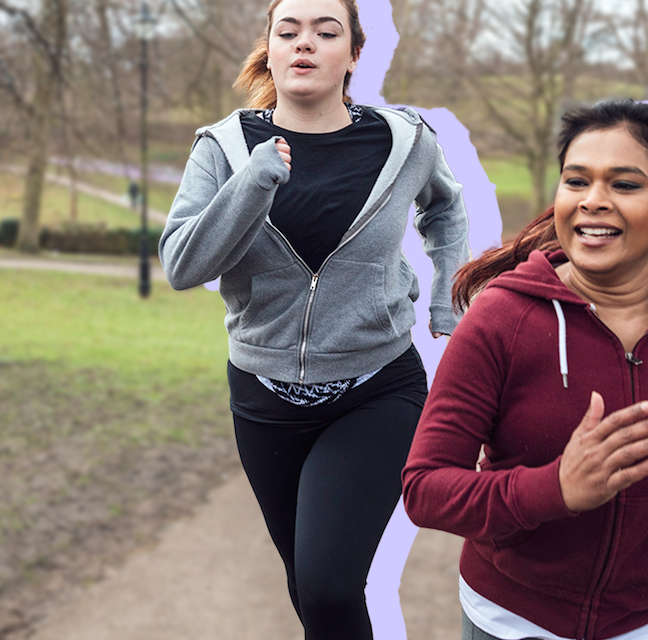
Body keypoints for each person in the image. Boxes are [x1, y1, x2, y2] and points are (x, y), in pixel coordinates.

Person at [401, 100, 648, 640]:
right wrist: (554, 488)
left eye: (625, 185)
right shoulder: (502, 320)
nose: (593, 202)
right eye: (576, 181)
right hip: (512, 620)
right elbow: (427, 488)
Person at [157, 0, 470, 637]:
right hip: (263, 395)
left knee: (330, 585)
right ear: (268, 49)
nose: (305, 44)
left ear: (354, 55)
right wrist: (252, 182)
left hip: (377, 387)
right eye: (288, 32)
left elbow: (447, 209)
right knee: (310, 587)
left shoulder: (403, 140)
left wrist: (446, 299)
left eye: (326, 33)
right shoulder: (222, 148)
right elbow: (183, 265)